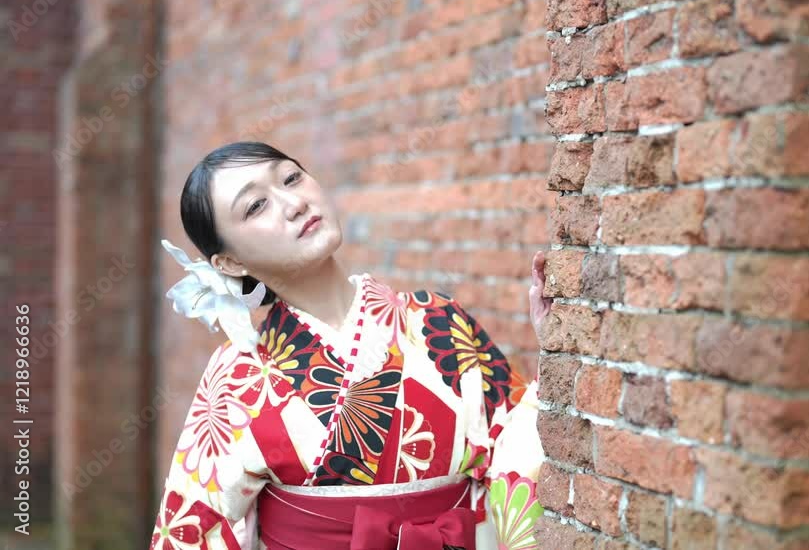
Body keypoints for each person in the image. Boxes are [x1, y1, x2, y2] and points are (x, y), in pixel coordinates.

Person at [149, 142, 553, 549]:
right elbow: (197, 529)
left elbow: (512, 449)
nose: (293, 203)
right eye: (256, 206)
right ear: (231, 264)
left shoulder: (439, 322)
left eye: (291, 178)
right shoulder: (237, 374)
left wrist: (551, 350)